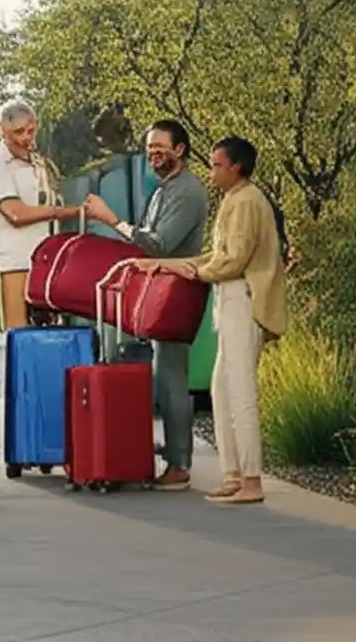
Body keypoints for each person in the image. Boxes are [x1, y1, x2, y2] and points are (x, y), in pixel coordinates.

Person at [134, 136, 287, 504]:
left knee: (241, 393)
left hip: (243, 300)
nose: (212, 170)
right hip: (229, 299)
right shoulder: (234, 200)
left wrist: (193, 274)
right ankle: (233, 474)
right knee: (221, 390)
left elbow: (232, 260)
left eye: (218, 164)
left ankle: (251, 480)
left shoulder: (248, 201)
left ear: (236, 167)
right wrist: (161, 265)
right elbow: (213, 255)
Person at [83, 119, 209, 491]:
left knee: (172, 378)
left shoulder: (187, 192)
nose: (153, 154)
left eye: (160, 148)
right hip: (160, 292)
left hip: (177, 291)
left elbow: (158, 245)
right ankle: (170, 453)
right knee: (162, 374)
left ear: (181, 150)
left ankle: (179, 465)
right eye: (150, 148)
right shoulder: (163, 190)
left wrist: (112, 220)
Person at [0, 100, 82, 330]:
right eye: (18, 132)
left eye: (30, 130)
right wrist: (63, 212)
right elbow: (16, 213)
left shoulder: (37, 161)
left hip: (44, 256)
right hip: (15, 259)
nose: (25, 137)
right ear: (3, 131)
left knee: (48, 329)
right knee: (19, 332)